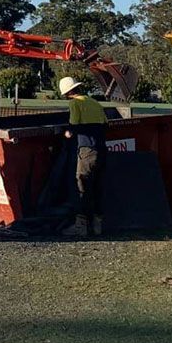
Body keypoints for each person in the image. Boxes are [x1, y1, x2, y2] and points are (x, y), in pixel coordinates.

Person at [59, 76, 107, 237]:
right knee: (98, 186)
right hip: (101, 148)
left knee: (82, 184)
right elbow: (105, 123)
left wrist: (67, 133)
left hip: (87, 150)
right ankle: (98, 224)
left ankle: (81, 226)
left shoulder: (75, 103)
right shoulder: (94, 103)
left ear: (67, 93)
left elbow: (73, 125)